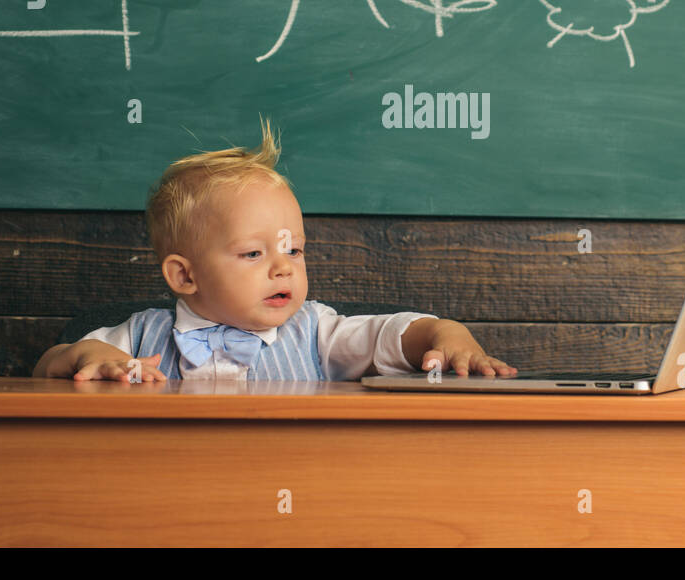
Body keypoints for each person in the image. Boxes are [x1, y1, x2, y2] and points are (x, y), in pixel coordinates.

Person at [33, 118, 517, 382]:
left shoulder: (315, 333)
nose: (283, 267)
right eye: (253, 254)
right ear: (184, 276)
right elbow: (46, 368)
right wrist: (86, 354)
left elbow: (387, 336)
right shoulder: (138, 337)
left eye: (294, 251)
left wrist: (444, 331)